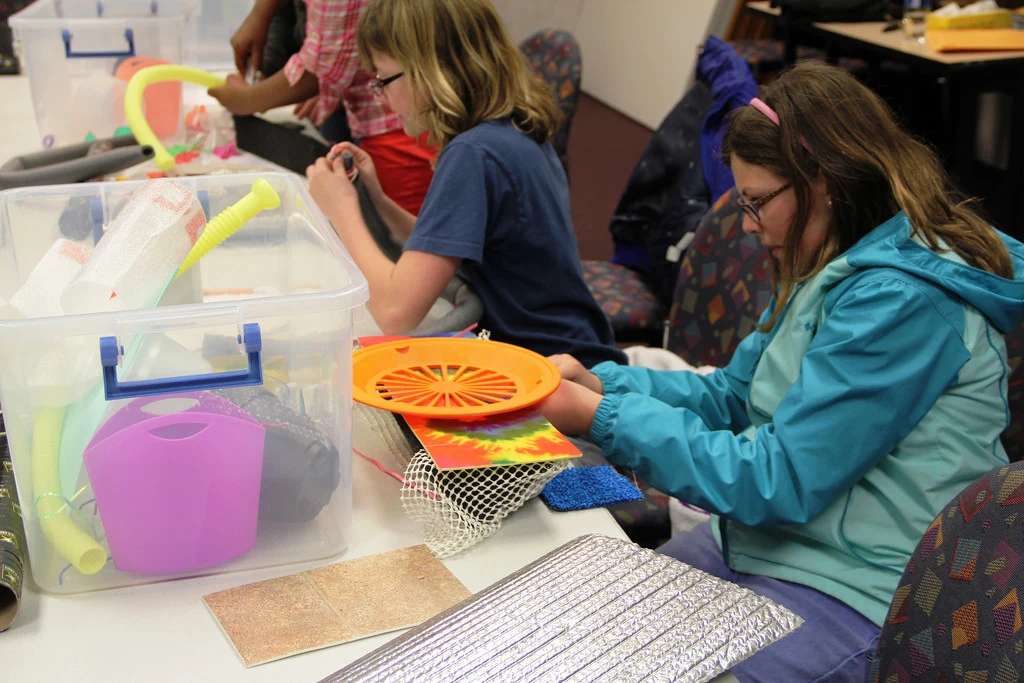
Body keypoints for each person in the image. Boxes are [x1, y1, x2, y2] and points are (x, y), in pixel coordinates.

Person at [540, 62, 1024, 682]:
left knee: (632, 660)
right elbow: (737, 395)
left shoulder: (902, 302)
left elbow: (779, 480)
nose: (746, 224)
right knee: (589, 629)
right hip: (776, 542)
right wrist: (607, 384)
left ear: (823, 180)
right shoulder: (834, 260)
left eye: (757, 202)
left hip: (858, 582)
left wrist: (602, 418)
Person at [304, 0, 625, 368]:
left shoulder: (473, 154)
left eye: (383, 79)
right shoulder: (507, 130)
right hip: (572, 350)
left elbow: (395, 311)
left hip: (549, 370)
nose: (382, 95)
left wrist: (341, 210)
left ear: (429, 70)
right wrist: (376, 199)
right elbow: (438, 251)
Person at [211, 0, 434, 215]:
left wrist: (247, 99)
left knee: (387, 236)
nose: (380, 95)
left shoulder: (412, 120)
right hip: (391, 123)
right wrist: (260, 14)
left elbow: (328, 60)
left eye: (383, 79)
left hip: (398, 134)